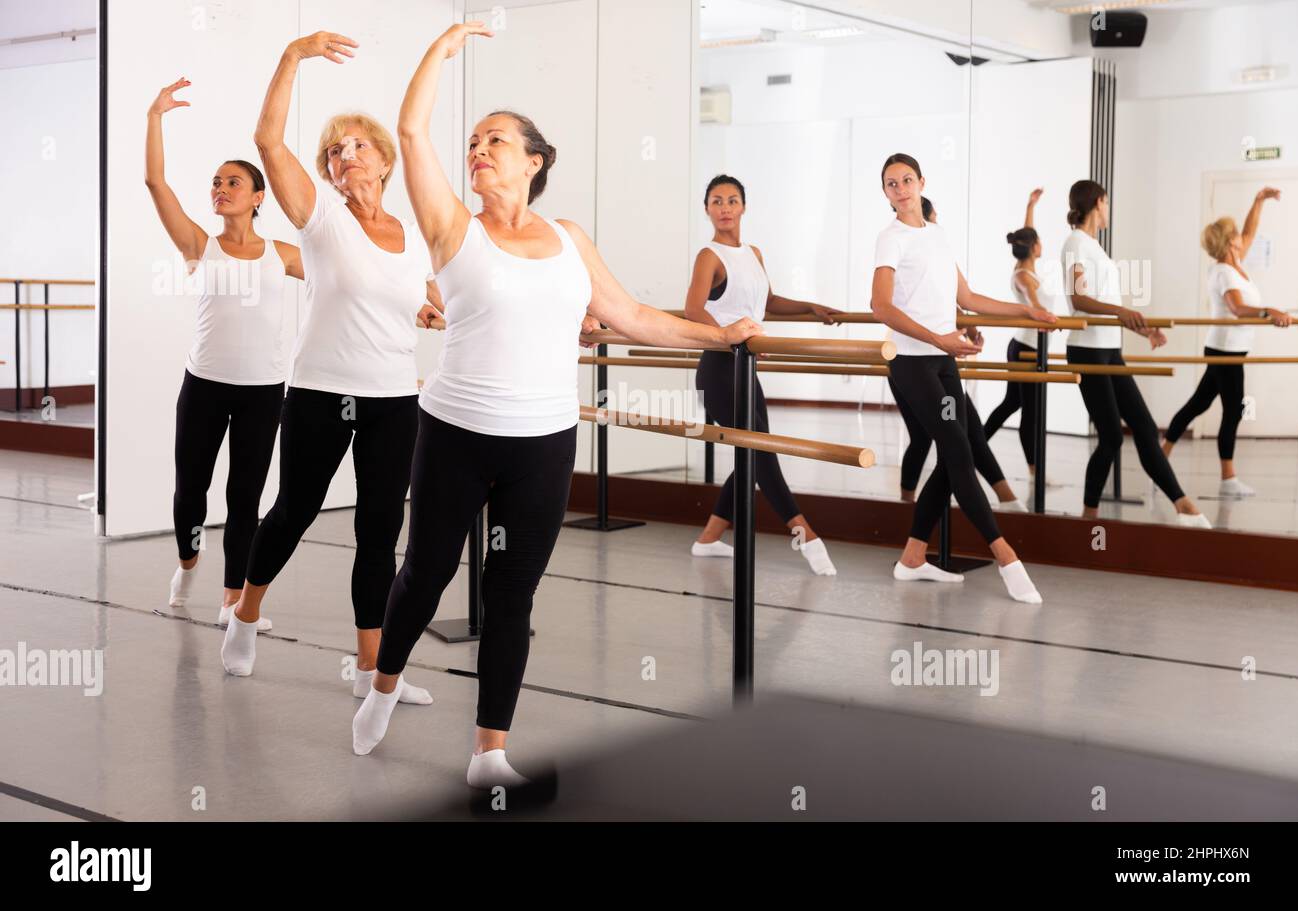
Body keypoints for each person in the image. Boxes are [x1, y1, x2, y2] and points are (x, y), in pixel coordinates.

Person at [350, 22, 763, 788]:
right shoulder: (453, 228)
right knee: (426, 574)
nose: (479, 149)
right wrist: (439, 52)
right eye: (473, 140)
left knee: (513, 594)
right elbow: (410, 130)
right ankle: (380, 683)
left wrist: (720, 336)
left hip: (541, 444)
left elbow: (636, 315)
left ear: (535, 161)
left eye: (496, 140)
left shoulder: (570, 237)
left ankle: (489, 752)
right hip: (454, 434)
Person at [220, 33, 444, 711]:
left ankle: (370, 666)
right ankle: (246, 615)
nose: (345, 156)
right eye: (333, 151)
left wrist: (428, 313)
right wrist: (290, 55)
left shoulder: (411, 236)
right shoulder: (321, 218)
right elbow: (266, 140)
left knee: (380, 530)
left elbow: (422, 301)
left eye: (356, 145)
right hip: (321, 393)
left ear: (382, 157)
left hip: (392, 400)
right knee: (294, 510)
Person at [146, 77, 301, 630]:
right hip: (205, 385)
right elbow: (155, 181)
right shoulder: (198, 245)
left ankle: (233, 599)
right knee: (191, 490)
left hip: (263, 390)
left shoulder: (282, 254)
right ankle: (188, 564)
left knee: (244, 497)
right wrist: (155, 116)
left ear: (259, 197)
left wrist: (421, 306)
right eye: (215, 182)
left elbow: (350, 282)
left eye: (233, 182)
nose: (221, 189)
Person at [871, 154, 1052, 604]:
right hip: (912, 362)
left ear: (921, 182)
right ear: (886, 193)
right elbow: (882, 308)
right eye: (891, 184)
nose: (901, 189)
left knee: (959, 450)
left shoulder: (937, 234)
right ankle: (1006, 555)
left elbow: (965, 297)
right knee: (955, 446)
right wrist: (938, 337)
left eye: (907, 180)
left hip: (943, 359)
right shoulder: (889, 239)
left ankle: (913, 557)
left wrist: (1024, 311)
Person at [685, 174, 842, 575]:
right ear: (707, 209)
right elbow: (692, 311)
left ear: (743, 207)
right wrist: (728, 337)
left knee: (752, 453)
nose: (724, 208)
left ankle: (708, 539)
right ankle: (805, 535)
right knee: (760, 452)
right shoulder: (709, 255)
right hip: (720, 369)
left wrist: (811, 307)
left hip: (747, 367)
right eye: (716, 201)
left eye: (732, 200)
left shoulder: (753, 252)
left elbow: (767, 303)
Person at [1060, 179, 1209, 526]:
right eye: (1107, 204)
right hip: (1087, 351)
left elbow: (1110, 307)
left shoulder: (1095, 248)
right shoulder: (1075, 243)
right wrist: (1121, 313)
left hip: (1109, 349)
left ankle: (1180, 502)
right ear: (1098, 203)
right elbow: (1078, 300)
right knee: (1111, 437)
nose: (1109, 210)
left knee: (1142, 425)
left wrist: (1142, 329)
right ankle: (1089, 516)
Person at [888, 197, 1027, 511]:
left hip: (940, 363)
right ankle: (906, 506)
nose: (936, 223)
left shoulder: (937, 248)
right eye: (934, 217)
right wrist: (950, 330)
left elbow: (958, 300)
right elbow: (894, 304)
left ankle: (1005, 499)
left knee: (964, 435)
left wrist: (971, 326)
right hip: (911, 364)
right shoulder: (901, 246)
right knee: (936, 439)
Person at [1163, 188, 1292, 497]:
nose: (1241, 235)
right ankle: (1228, 479)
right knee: (1232, 409)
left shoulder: (1236, 262)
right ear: (1228, 242)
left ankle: (1162, 457)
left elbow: (1251, 229)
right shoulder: (1223, 272)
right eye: (1235, 233)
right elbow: (1236, 309)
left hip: (1231, 348)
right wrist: (1268, 312)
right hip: (1225, 350)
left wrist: (1258, 200)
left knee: (1199, 403)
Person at [983, 188, 1058, 479]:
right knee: (1031, 411)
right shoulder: (1025, 276)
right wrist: (1043, 313)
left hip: (1024, 346)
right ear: (1034, 247)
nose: (1042, 243)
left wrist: (1030, 205)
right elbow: (1033, 300)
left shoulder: (1025, 266)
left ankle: (973, 444)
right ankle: (1035, 471)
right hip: (1027, 349)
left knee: (1011, 404)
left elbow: (1028, 232)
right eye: (1039, 241)